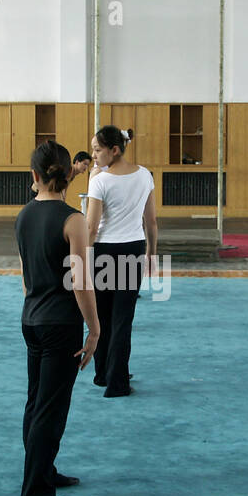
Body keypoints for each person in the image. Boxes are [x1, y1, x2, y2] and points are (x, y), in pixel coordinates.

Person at [15, 141, 99, 496]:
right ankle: (35, 492)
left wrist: (34, 306)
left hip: (31, 320)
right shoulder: (73, 220)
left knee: (37, 402)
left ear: (34, 177)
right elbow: (81, 282)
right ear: (69, 175)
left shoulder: (23, 216)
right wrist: (94, 330)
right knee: (50, 409)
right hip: (60, 325)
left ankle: (43, 472)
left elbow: (25, 275)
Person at [87, 126, 155, 397]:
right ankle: (117, 380)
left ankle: (104, 374)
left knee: (102, 317)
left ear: (114, 150)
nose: (93, 155)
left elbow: (91, 227)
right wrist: (151, 253)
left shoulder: (99, 180)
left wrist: (81, 257)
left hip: (104, 251)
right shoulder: (145, 176)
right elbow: (151, 220)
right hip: (132, 250)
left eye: (97, 149)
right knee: (122, 320)